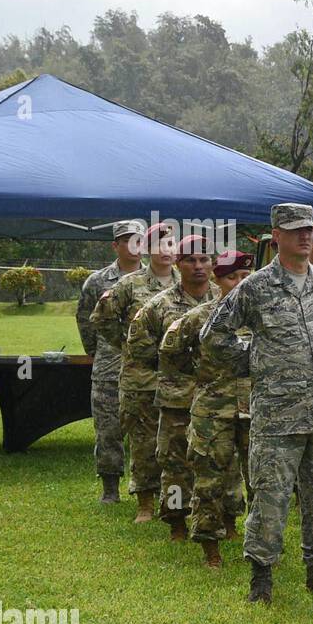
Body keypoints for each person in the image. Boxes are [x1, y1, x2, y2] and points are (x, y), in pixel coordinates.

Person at [201, 203, 313, 604]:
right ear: (276, 236)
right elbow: (213, 334)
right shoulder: (256, 287)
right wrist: (253, 362)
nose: (305, 236)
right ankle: (261, 576)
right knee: (270, 497)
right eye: (295, 230)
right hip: (277, 415)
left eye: (309, 229)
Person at [160, 251, 254, 567]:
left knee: (261, 481)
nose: (240, 283)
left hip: (257, 410)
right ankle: (209, 548)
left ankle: (258, 545)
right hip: (213, 411)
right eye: (232, 277)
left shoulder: (266, 317)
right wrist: (201, 375)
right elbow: (170, 351)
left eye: (245, 277)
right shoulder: (201, 317)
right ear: (217, 279)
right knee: (209, 481)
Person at [129, 235, 218, 541]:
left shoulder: (224, 301)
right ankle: (177, 522)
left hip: (217, 400)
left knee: (217, 462)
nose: (198, 266)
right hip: (177, 400)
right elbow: (139, 348)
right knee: (176, 465)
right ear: (179, 265)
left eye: (204, 259)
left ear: (212, 263)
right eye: (190, 260)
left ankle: (222, 520)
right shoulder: (160, 305)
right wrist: (171, 373)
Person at [91, 222, 177, 522]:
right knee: (143, 439)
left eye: (171, 244)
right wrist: (128, 346)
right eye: (160, 245)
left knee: (177, 440)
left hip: (179, 378)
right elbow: (101, 318)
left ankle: (176, 500)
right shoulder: (130, 284)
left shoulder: (187, 281)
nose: (166, 251)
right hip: (141, 377)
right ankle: (145, 503)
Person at [76, 219, 144, 503]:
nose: (133, 245)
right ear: (115, 245)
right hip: (109, 366)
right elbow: (85, 318)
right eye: (127, 240)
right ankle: (110, 488)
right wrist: (96, 351)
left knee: (148, 431)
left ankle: (148, 489)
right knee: (108, 429)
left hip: (146, 367)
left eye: (138, 239)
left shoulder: (162, 278)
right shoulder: (98, 280)